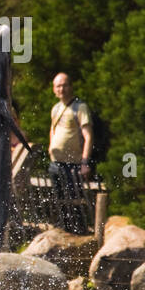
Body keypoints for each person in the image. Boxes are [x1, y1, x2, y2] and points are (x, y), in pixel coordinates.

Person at [49, 72, 93, 234]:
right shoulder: (56, 109)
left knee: (74, 199)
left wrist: (84, 162)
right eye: (58, 86)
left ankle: (79, 230)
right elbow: (53, 130)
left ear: (71, 86)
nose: (62, 89)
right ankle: (64, 228)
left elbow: (88, 136)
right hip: (56, 162)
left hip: (73, 163)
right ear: (54, 89)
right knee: (59, 198)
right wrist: (50, 147)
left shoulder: (79, 108)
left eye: (65, 85)